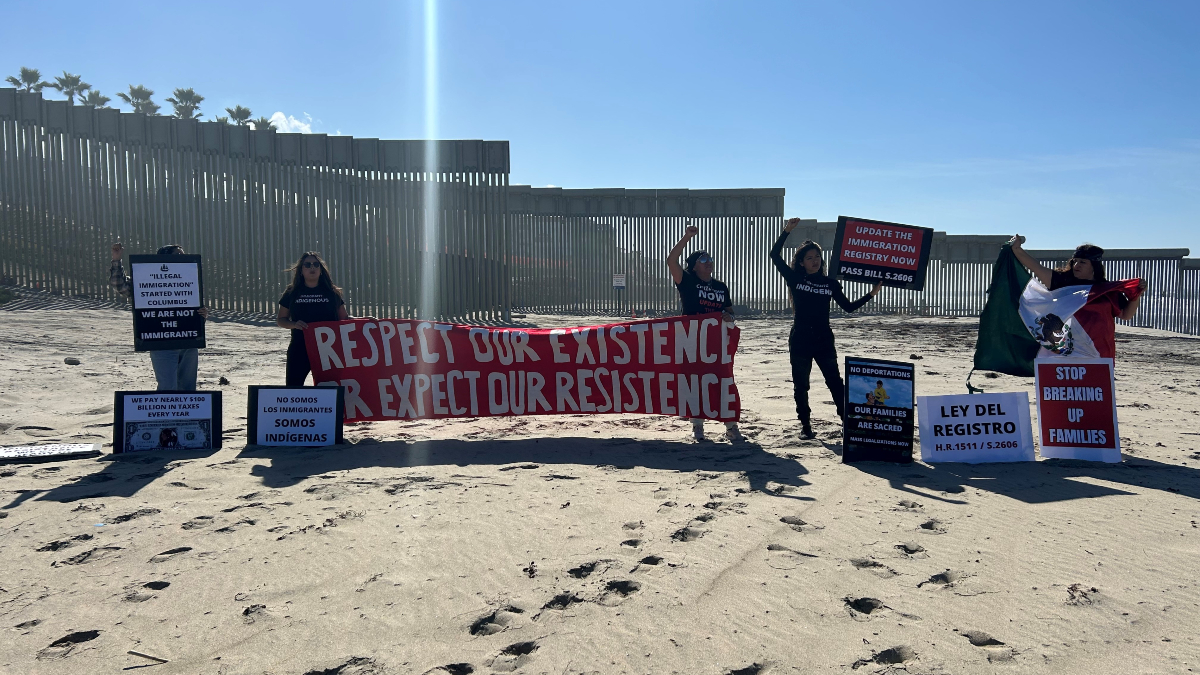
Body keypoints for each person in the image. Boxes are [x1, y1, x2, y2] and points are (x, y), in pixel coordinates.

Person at [771, 218, 882, 439]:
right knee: (801, 385)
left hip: (823, 339)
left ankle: (846, 421)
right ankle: (806, 426)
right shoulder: (795, 278)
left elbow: (848, 307)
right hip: (800, 339)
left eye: (817, 257)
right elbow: (774, 255)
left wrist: (870, 294)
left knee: (835, 382)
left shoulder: (830, 283)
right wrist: (786, 231)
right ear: (801, 262)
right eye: (809, 258)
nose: (815, 261)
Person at [667, 221, 744, 443]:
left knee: (723, 381)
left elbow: (729, 312)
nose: (709, 262)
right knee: (695, 382)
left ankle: (731, 426)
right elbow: (671, 261)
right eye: (703, 259)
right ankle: (697, 426)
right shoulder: (687, 281)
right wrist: (687, 237)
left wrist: (730, 317)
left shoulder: (721, 286)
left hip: (716, 343)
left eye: (710, 258)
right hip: (692, 341)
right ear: (694, 266)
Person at [1009, 236, 1145, 360]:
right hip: (1066, 351)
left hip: (1098, 351)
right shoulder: (1061, 282)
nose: (1076, 266)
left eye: (1082, 262)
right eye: (1075, 261)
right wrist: (1017, 249)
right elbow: (1036, 267)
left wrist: (1135, 296)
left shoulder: (1105, 289)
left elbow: (1125, 315)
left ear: (1094, 266)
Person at [109, 242, 208, 391]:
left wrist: (201, 315)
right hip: (162, 343)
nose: (183, 258)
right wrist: (116, 260)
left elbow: (191, 306)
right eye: (178, 255)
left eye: (183, 255)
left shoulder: (189, 276)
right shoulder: (146, 278)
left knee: (188, 388)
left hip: (188, 342)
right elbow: (120, 285)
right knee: (168, 388)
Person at [277, 251, 350, 386]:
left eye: (316, 264)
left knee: (330, 390)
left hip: (328, 350)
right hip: (300, 348)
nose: (312, 267)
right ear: (301, 270)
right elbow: (281, 319)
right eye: (307, 265)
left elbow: (344, 319)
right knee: (293, 387)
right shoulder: (292, 292)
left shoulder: (332, 292)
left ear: (321, 270)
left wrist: (365, 320)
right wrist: (294, 324)